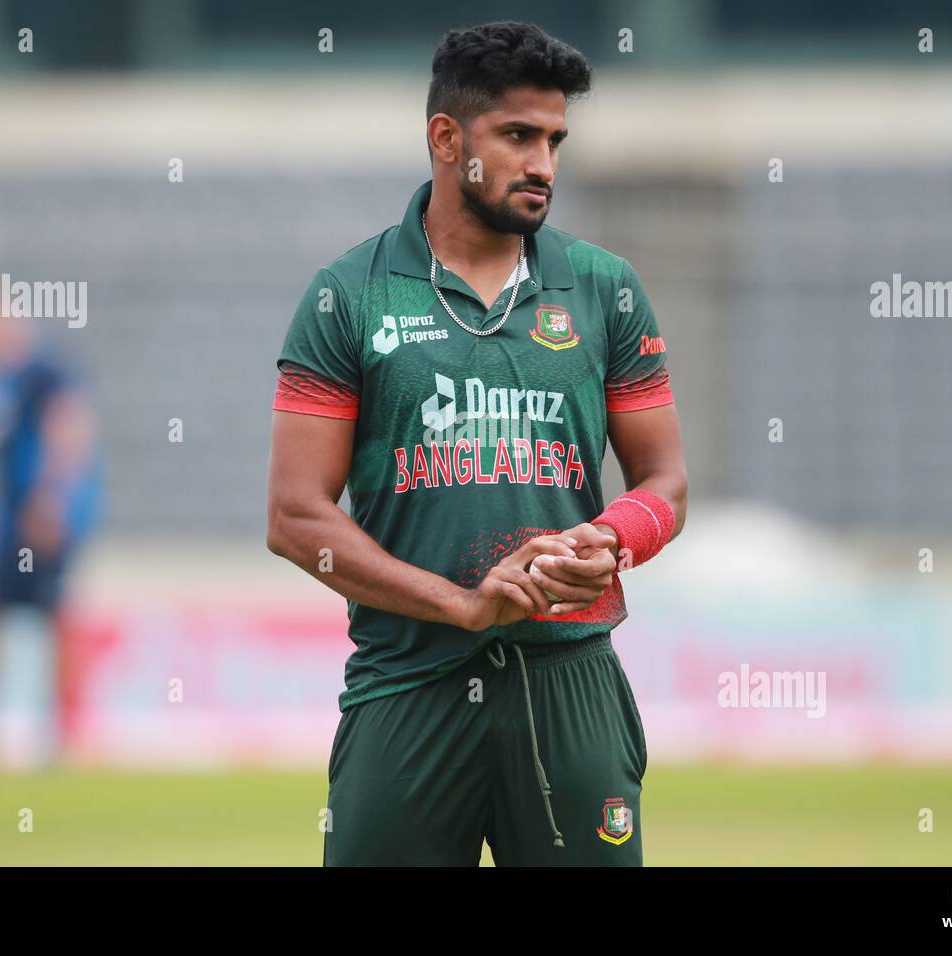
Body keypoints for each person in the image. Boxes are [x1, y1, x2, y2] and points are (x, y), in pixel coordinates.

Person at [267, 21, 688, 865]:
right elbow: (295, 518)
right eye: (518, 136)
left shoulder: (605, 288)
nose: (544, 164)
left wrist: (609, 540)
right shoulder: (347, 295)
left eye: (555, 140)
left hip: (570, 679)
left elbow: (666, 481)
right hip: (408, 683)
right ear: (446, 138)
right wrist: (460, 603)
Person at [0, 292, 102, 765]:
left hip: (40, 514)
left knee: (56, 617)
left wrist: (51, 497)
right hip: (8, 518)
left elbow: (71, 428)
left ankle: (67, 734)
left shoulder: (43, 371)